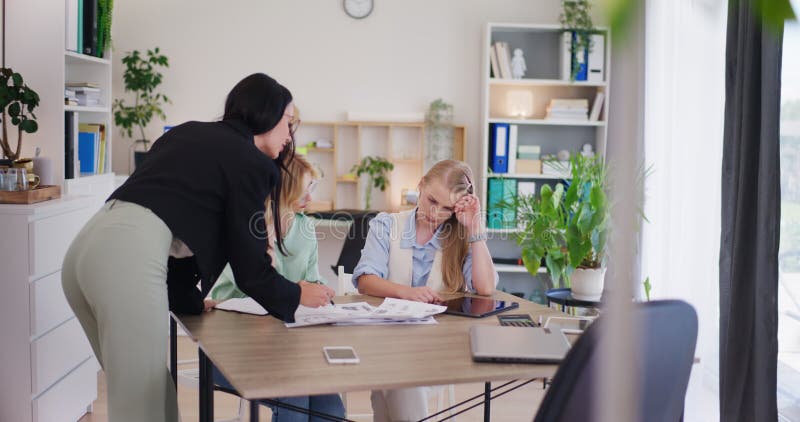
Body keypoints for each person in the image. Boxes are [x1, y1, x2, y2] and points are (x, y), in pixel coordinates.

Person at [61, 73, 335, 422]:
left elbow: (170, 233)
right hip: (126, 255)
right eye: (288, 121)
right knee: (142, 406)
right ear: (266, 115)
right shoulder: (251, 163)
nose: (290, 134)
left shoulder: (187, 134)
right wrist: (297, 295)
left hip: (85, 251)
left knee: (150, 393)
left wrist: (192, 303)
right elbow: (251, 270)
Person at [351, 159, 499, 422]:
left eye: (447, 208)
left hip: (436, 351)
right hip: (386, 345)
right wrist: (407, 292)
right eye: (432, 200)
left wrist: (475, 227)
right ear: (420, 185)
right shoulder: (386, 225)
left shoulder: (460, 238)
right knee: (397, 377)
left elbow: (486, 288)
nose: (436, 213)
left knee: (396, 380)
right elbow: (365, 280)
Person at [208, 154, 345, 421]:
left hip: (290, 351)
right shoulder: (249, 228)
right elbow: (236, 293)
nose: (309, 199)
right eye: (303, 191)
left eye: (312, 189)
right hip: (233, 350)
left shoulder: (306, 228)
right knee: (293, 397)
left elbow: (312, 280)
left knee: (332, 410)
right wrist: (294, 290)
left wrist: (318, 290)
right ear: (281, 190)